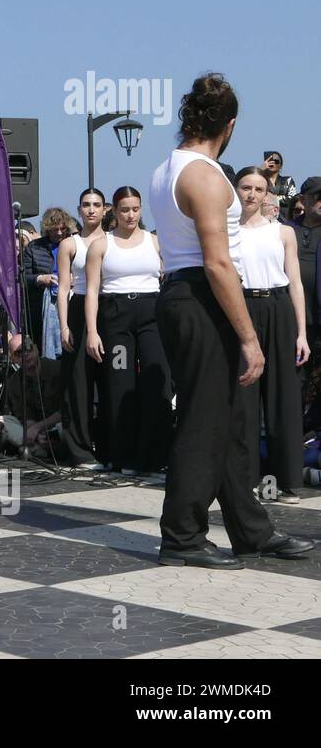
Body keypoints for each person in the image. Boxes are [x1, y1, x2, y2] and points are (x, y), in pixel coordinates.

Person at [148, 72, 311, 568]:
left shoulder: (166, 168)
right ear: (231, 125)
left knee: (233, 423)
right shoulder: (205, 175)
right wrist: (250, 339)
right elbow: (219, 263)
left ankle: (250, 530)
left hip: (184, 293)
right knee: (204, 421)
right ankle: (182, 537)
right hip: (202, 297)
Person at [84, 187, 172, 477]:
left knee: (156, 381)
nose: (130, 215)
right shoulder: (101, 245)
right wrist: (93, 332)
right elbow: (92, 290)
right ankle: (125, 456)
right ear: (115, 211)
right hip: (116, 317)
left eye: (135, 209)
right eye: (124, 210)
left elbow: (168, 280)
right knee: (121, 384)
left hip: (151, 315)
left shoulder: (155, 242)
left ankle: (156, 456)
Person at [236, 167, 309, 503]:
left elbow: (294, 282)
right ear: (236, 190)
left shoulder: (283, 233)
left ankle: (289, 480)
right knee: (244, 399)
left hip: (279, 308)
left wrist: (301, 333)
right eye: (246, 187)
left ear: (268, 193)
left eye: (259, 189)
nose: (252, 194)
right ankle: (246, 479)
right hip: (242, 309)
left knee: (284, 398)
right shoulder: (225, 231)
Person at [55, 188, 107, 468]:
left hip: (107, 309)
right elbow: (63, 288)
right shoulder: (69, 244)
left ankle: (109, 445)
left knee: (107, 381)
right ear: (79, 209)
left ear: (104, 209)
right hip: (77, 310)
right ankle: (78, 449)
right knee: (77, 383)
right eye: (86, 205)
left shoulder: (112, 240)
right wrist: (63, 326)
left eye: (96, 205)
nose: (91, 210)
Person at [285, 176, 321, 430]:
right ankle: (292, 441)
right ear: (304, 199)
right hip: (294, 323)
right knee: (293, 385)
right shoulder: (287, 231)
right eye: (318, 197)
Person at [21, 207, 71, 351]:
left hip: (69, 302)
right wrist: (41, 278)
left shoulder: (74, 244)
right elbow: (23, 278)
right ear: (47, 228)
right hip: (41, 306)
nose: (59, 233)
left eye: (62, 229)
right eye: (55, 229)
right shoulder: (34, 247)